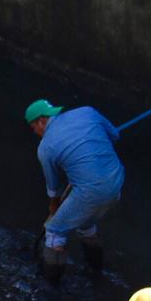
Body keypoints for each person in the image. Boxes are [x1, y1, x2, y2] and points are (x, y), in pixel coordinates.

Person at [25, 99, 126, 285]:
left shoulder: (46, 147)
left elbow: (53, 185)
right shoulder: (87, 111)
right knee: (86, 223)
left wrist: (54, 206)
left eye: (33, 128)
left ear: (41, 121)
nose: (35, 133)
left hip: (91, 191)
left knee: (54, 231)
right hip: (116, 182)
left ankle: (51, 287)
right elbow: (114, 135)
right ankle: (96, 271)